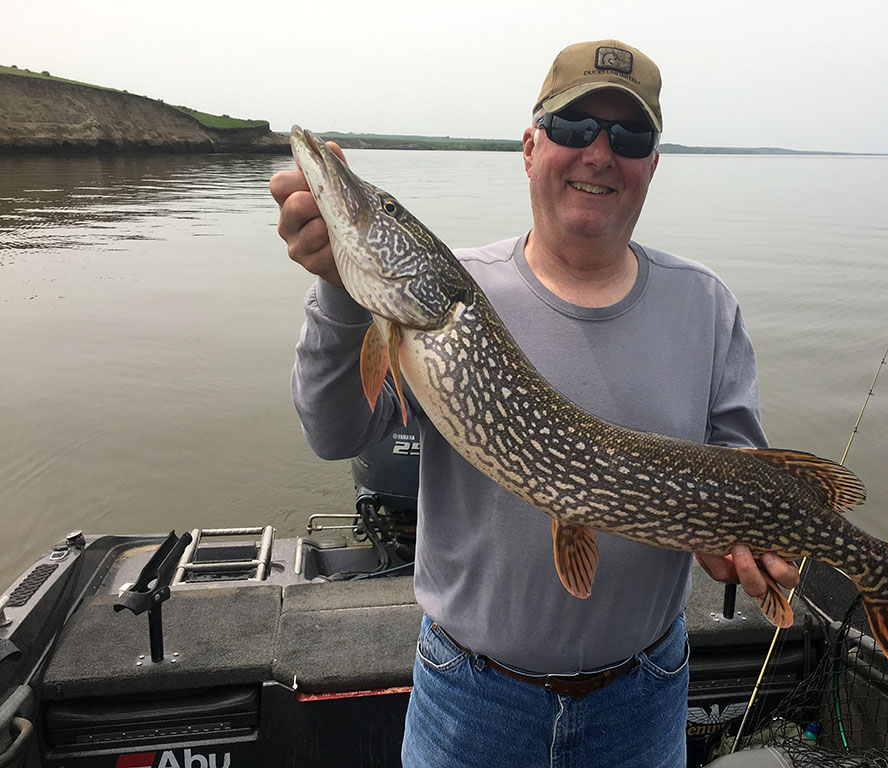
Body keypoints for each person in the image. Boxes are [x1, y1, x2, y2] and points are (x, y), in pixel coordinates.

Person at [271, 38, 799, 768]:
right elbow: (333, 435)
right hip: (469, 705)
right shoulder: (448, 298)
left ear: (652, 163)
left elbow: (742, 464)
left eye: (629, 136)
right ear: (530, 146)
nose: (599, 153)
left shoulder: (705, 304)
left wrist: (743, 545)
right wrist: (339, 291)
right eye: (574, 127)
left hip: (643, 702)